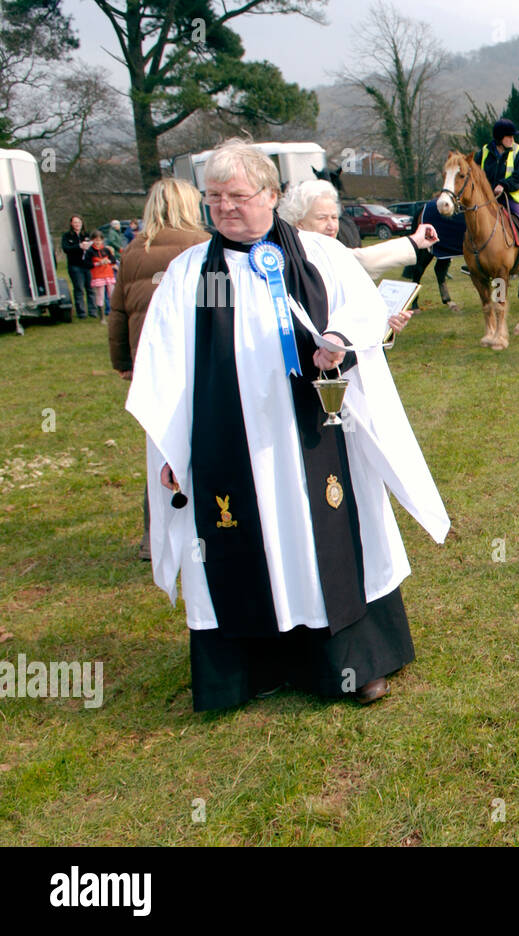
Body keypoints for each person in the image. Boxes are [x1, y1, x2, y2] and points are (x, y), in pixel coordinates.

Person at [126, 139, 450, 711]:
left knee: (327, 539)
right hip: (227, 445)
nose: (224, 208)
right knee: (241, 541)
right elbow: (164, 367)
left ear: (272, 196)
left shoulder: (319, 256)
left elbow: (365, 309)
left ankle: (353, 665)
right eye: (214, 198)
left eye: (238, 196)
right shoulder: (188, 275)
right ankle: (255, 669)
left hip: (316, 435)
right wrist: (171, 451)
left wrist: (340, 343)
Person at [109, 178, 212, 562]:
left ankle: (154, 538)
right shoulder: (202, 245)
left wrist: (124, 362)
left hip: (149, 364)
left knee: (161, 449)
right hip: (191, 360)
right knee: (200, 443)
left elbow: (117, 312)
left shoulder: (133, 250)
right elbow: (213, 307)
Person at [280, 179, 438, 336]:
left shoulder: (331, 251)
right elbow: (364, 260)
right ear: (298, 223)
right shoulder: (297, 258)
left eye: (334, 218)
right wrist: (415, 241)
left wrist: (385, 323)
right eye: (322, 218)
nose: (331, 226)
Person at [478, 118, 519, 267]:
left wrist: (503, 185)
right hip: (490, 198)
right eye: (509, 136)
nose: (512, 139)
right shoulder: (484, 152)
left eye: (513, 136)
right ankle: (474, 258)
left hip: (515, 196)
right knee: (475, 221)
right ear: (499, 138)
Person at [61, 215, 94, 320]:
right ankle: (81, 313)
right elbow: (66, 249)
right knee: (79, 289)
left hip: (87, 266)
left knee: (90, 289)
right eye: (75, 222)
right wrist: (78, 246)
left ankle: (93, 311)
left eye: (79, 222)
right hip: (75, 266)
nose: (77, 224)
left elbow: (94, 249)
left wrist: (88, 247)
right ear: (71, 224)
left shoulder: (87, 234)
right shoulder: (67, 236)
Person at [86, 231, 116, 320]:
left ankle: (113, 314)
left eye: (99, 240)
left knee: (112, 294)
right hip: (98, 276)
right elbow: (87, 264)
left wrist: (108, 261)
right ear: (92, 240)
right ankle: (102, 317)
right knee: (100, 295)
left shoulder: (106, 250)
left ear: (102, 240)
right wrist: (98, 263)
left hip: (108, 275)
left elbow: (113, 260)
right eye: (95, 240)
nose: (98, 242)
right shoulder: (90, 251)